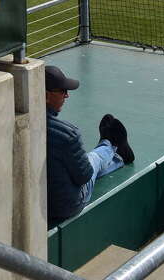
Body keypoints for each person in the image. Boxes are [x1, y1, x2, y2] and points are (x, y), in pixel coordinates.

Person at [45, 64, 134, 225]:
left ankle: (118, 155)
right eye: (63, 91)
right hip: (66, 207)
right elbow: (85, 175)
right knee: (93, 160)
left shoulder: (14, 126)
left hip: (41, 206)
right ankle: (109, 144)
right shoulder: (67, 135)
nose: (67, 96)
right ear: (46, 96)